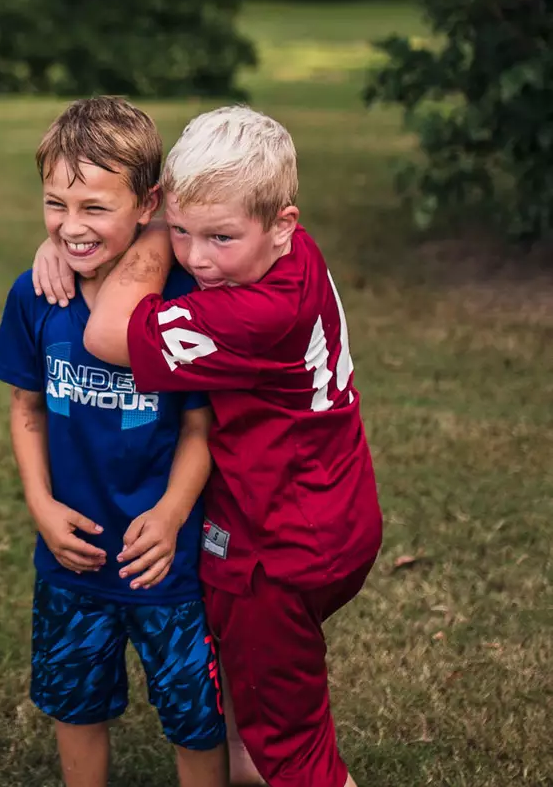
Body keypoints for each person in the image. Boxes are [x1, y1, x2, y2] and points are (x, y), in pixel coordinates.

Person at [31, 104, 383, 787]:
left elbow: (108, 335)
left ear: (282, 223)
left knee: (294, 748)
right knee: (249, 706)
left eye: (219, 237)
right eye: (185, 231)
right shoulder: (286, 249)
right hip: (334, 509)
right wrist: (80, 237)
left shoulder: (256, 311)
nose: (196, 258)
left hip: (276, 545)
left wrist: (153, 234)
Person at [0, 97, 226, 787]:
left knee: (195, 715)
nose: (70, 225)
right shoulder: (36, 297)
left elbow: (199, 425)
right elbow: (26, 408)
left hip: (166, 563)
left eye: (94, 207)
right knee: (76, 705)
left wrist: (174, 513)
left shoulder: (185, 303)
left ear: (147, 204)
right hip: (73, 562)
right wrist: (40, 505)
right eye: (55, 205)